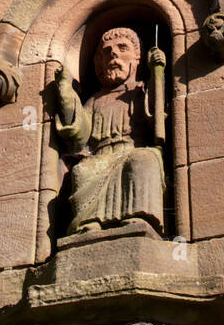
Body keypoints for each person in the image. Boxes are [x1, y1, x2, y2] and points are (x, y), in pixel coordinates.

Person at [54, 27, 166, 236]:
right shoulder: (95, 100)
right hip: (100, 156)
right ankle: (89, 223)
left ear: (137, 57)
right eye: (106, 51)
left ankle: (138, 217)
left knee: (143, 160)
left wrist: (156, 73)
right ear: (99, 63)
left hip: (132, 149)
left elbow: (156, 119)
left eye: (122, 48)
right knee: (82, 171)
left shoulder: (141, 89)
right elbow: (79, 135)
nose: (113, 54)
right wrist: (65, 94)